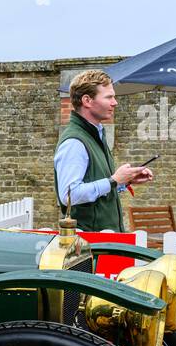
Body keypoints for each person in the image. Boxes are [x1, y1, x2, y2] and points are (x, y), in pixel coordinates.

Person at [53, 70, 153, 231]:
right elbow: (69, 195)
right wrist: (113, 180)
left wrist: (124, 181)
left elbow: (98, 191)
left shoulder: (95, 134)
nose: (115, 102)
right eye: (108, 97)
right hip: (89, 246)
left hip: (105, 241)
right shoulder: (75, 142)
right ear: (87, 100)